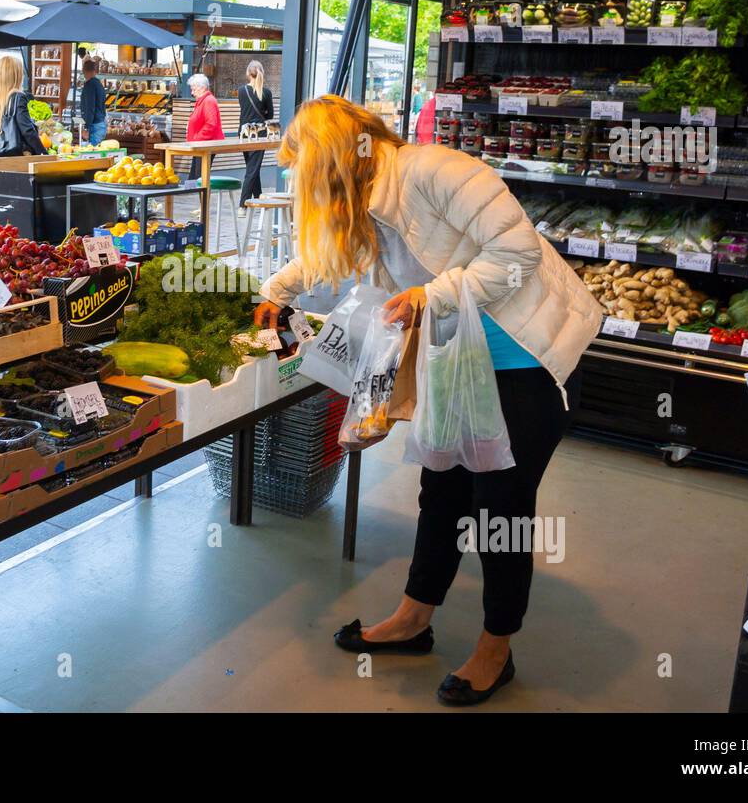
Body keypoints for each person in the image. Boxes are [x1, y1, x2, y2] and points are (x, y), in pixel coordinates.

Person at [253, 95, 601, 706]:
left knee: (501, 510)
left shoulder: (435, 171)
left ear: (334, 157)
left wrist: (430, 296)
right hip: (455, 356)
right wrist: (277, 290)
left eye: (306, 171)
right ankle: (414, 618)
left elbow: (517, 256)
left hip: (521, 355)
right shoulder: (362, 199)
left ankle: (498, 647)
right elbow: (329, 256)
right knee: (441, 492)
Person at [0, 53, 47, 158]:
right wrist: (43, 153)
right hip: (12, 161)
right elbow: (28, 131)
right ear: (16, 76)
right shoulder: (17, 97)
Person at [236, 60, 274, 205]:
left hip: (244, 133)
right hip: (259, 134)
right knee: (252, 169)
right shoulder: (267, 92)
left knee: (252, 167)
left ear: (248, 73)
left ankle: (258, 196)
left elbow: (244, 111)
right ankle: (242, 204)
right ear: (262, 73)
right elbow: (270, 115)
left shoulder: (241, 91)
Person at [185, 72, 223, 180]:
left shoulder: (208, 101)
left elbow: (211, 124)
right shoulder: (202, 101)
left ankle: (202, 196)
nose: (192, 93)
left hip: (205, 144)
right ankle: (192, 194)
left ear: (202, 88)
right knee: (195, 176)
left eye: (194, 89)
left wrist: (197, 138)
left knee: (199, 177)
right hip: (200, 144)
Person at [80, 58, 107, 147]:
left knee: (91, 154)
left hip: (94, 125)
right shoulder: (98, 84)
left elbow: (90, 107)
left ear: (84, 71)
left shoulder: (90, 85)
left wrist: (86, 127)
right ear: (95, 71)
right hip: (100, 123)